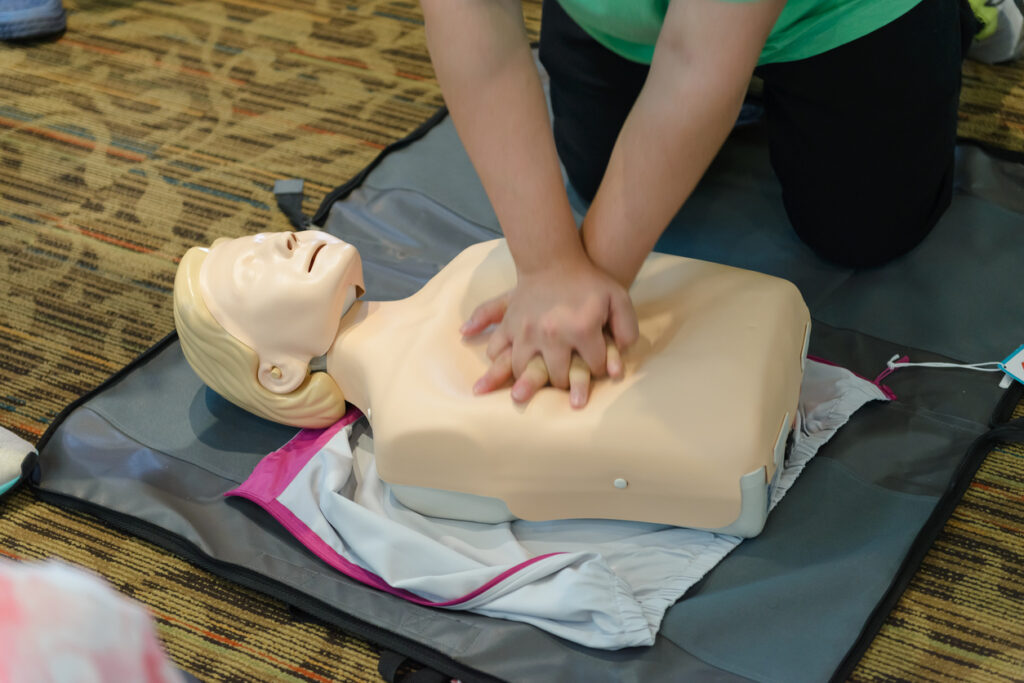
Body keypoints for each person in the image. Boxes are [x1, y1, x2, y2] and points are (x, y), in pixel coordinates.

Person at [420, 0, 979, 406]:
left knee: (865, 231)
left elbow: (697, 60)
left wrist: (586, 297)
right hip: (632, 20)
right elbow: (473, 22)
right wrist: (549, 268)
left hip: (838, 15)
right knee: (597, 175)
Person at [173, 230, 809, 529]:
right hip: (732, 444)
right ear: (278, 374)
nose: (277, 242)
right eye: (252, 271)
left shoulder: (475, 262)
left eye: (264, 237)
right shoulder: (413, 431)